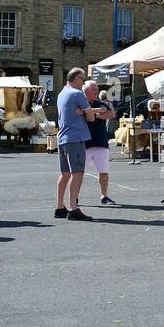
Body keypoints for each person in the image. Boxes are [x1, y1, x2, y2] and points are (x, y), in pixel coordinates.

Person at [55, 67, 95, 221]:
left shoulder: (62, 93)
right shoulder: (77, 93)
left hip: (63, 138)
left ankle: (60, 207)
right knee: (77, 173)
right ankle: (73, 208)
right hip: (75, 138)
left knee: (65, 174)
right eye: (83, 79)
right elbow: (91, 117)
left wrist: (84, 111)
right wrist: (86, 112)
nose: (83, 82)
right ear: (77, 78)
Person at [82, 80, 116, 205]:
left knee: (104, 171)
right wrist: (98, 111)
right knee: (78, 173)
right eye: (93, 89)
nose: (96, 91)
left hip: (101, 142)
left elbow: (111, 114)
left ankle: (104, 196)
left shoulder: (101, 103)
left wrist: (95, 115)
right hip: (84, 143)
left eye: (97, 89)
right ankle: (74, 197)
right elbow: (82, 114)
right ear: (85, 91)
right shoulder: (80, 103)